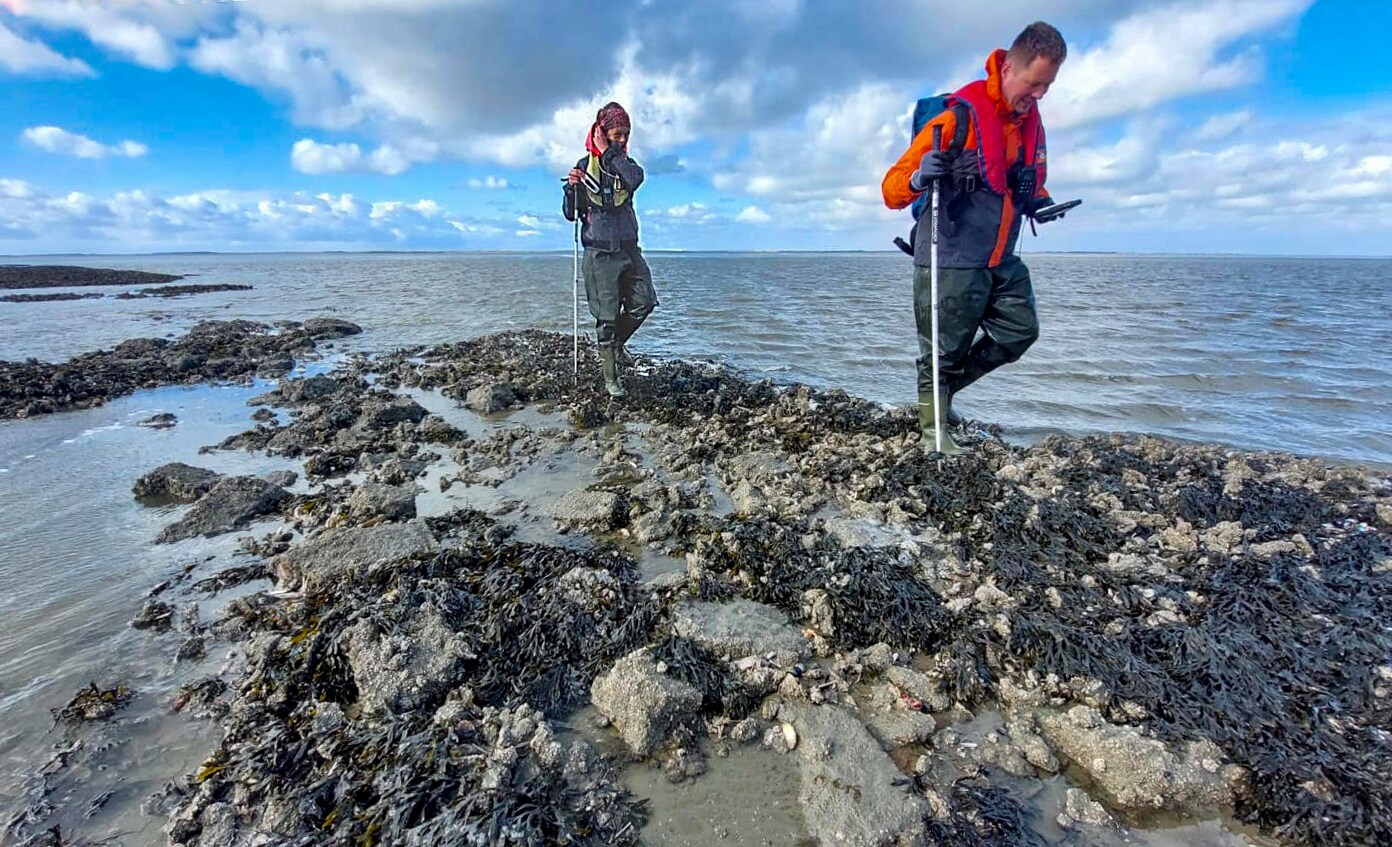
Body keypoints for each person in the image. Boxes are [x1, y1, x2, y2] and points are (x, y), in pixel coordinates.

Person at [882, 22, 1067, 453]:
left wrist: (1039, 200)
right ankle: (934, 433)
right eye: (1035, 83)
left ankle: (939, 396)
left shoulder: (1027, 122)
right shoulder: (957, 116)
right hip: (950, 256)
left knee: (1020, 331)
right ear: (1009, 69)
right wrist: (918, 175)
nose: (1039, 94)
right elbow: (891, 188)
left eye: (1048, 86)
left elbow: (1019, 181)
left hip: (1000, 256)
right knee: (941, 353)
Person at [562, 101, 658, 399]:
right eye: (617, 133)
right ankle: (611, 379)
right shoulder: (582, 166)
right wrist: (571, 190)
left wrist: (609, 151)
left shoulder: (626, 165)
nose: (623, 140)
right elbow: (571, 213)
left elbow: (634, 179)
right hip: (599, 254)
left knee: (644, 302)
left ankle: (616, 347)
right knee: (606, 318)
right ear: (601, 131)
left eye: (626, 134)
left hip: (629, 249)